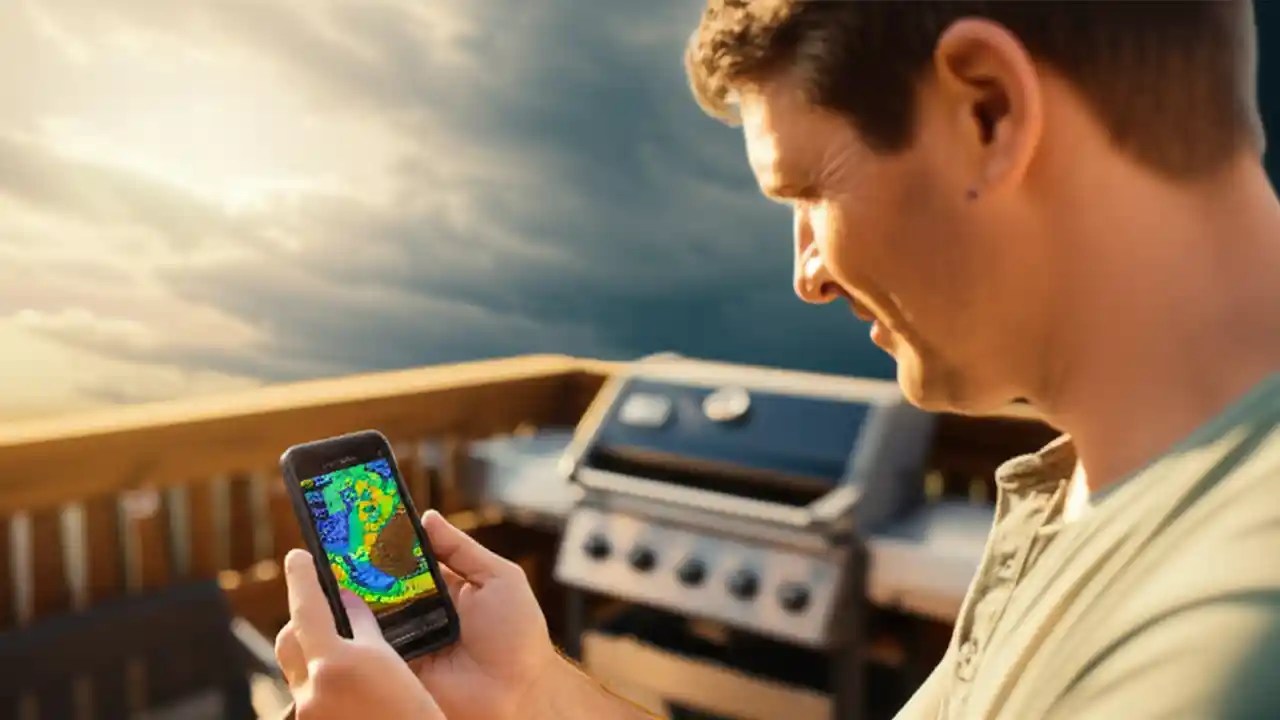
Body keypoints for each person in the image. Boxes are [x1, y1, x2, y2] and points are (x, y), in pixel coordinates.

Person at [275, 1, 1280, 718]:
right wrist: (529, 694)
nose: (805, 273)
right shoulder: (1107, 494)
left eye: (809, 192)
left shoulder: (1229, 635)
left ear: (988, 113)